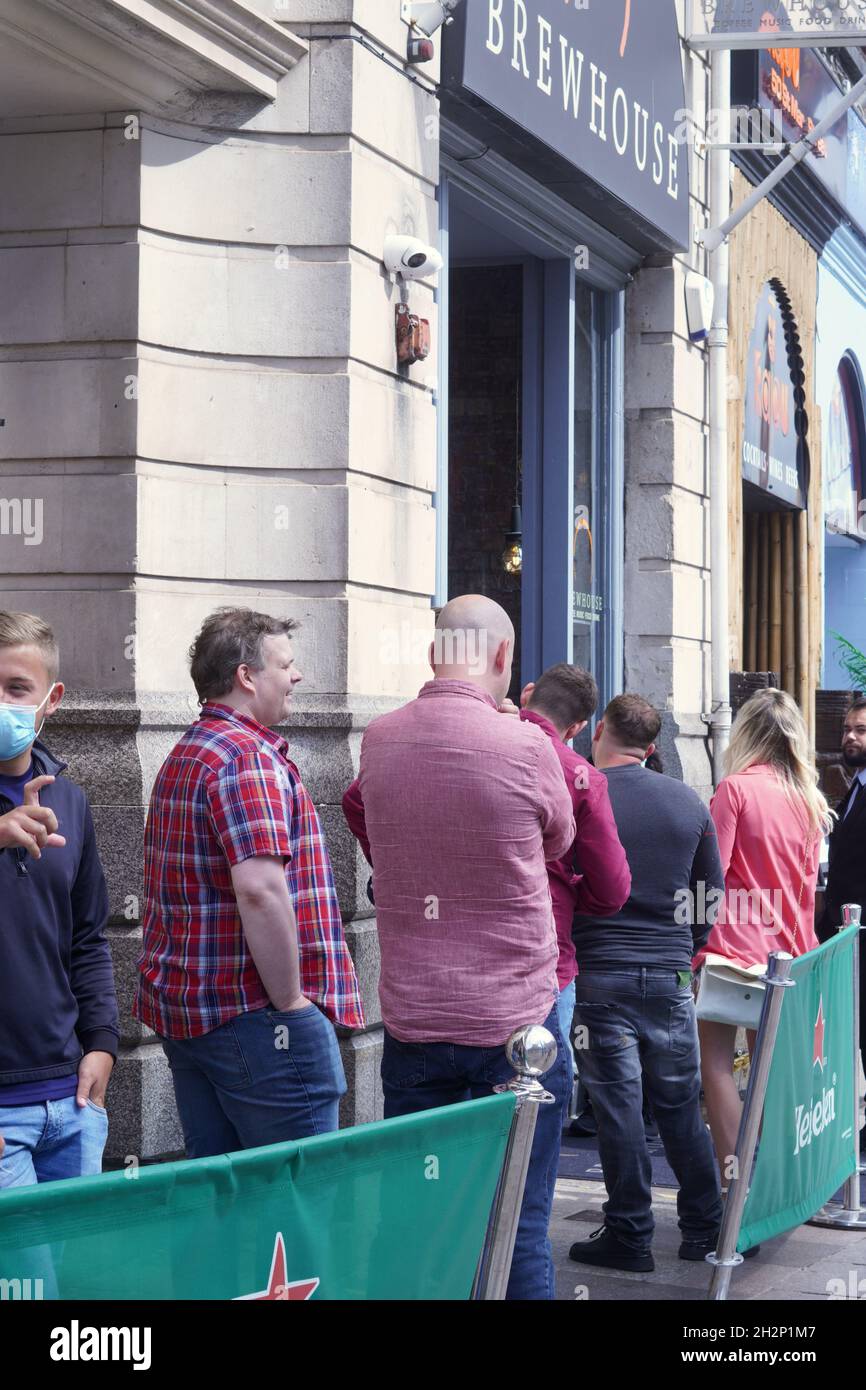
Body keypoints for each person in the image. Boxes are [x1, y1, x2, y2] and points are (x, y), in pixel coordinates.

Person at [342, 595, 575, 1300]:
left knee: (418, 1223)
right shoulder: (529, 745)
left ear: (435, 652)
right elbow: (560, 839)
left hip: (416, 1028)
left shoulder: (380, 739)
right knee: (519, 1225)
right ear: (502, 658)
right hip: (516, 1032)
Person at [135, 608, 363, 1157]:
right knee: (297, 1199)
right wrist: (292, 1006)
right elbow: (259, 891)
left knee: (226, 1197)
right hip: (257, 1018)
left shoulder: (190, 750)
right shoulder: (245, 759)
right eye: (286, 664)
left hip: (195, 1014)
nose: (297, 676)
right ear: (246, 676)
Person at [567, 695, 724, 1273]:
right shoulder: (688, 802)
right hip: (668, 973)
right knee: (681, 1106)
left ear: (600, 729)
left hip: (600, 971)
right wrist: (685, 946)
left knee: (619, 1109)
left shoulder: (579, 794)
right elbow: (709, 895)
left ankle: (630, 1234)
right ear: (653, 748)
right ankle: (705, 1228)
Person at [0, 611, 118, 1188]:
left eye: (16, 688)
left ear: (51, 699)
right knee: (24, 1277)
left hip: (71, 1100)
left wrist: (102, 1045)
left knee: (70, 1277)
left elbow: (88, 939)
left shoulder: (68, 801)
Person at [696, 688, 833, 1180]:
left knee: (715, 1064)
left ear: (747, 733)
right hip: (789, 954)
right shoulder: (808, 800)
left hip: (732, 952)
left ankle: (735, 1187)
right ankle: (774, 1182)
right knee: (769, 1070)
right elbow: (807, 893)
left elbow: (712, 877)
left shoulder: (734, 789)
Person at [516, 665, 631, 1074]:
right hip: (544, 957)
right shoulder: (581, 776)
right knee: (538, 1098)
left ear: (528, 694)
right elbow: (613, 888)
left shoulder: (471, 746)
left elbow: (356, 801)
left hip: (448, 960)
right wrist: (570, 890)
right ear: (580, 727)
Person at [817, 697, 866, 1148]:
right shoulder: (855, 784)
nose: (850, 737)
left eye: (862, 730)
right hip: (844, 930)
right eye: (848, 728)